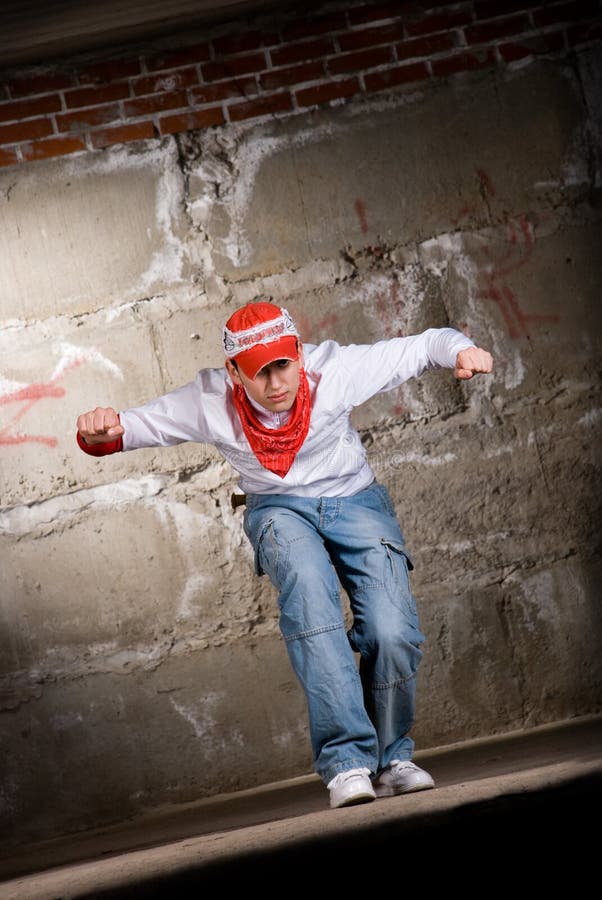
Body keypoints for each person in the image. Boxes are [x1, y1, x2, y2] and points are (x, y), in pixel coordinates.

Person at [76, 300, 493, 809]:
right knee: (312, 605)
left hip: (355, 501)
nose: (276, 384)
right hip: (278, 509)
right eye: (259, 374)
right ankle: (347, 763)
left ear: (299, 353)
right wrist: (98, 428)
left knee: (392, 630)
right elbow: (122, 431)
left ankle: (391, 758)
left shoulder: (334, 371)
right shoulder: (211, 400)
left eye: (283, 366)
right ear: (234, 373)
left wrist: (463, 350)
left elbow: (427, 344)